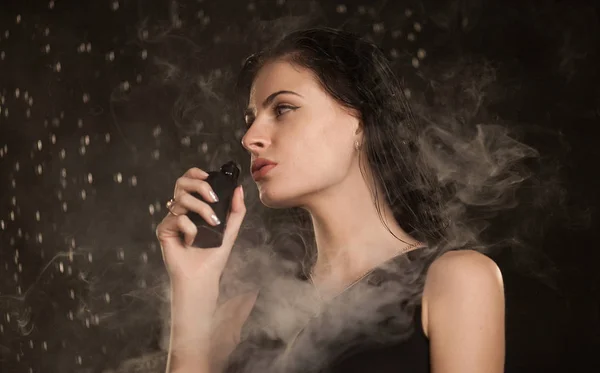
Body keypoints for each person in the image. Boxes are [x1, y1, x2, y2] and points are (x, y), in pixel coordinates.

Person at [156, 27, 505, 373]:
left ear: (360, 121)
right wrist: (193, 289)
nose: (249, 138)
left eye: (283, 109)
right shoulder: (237, 321)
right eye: (250, 120)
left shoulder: (455, 281)